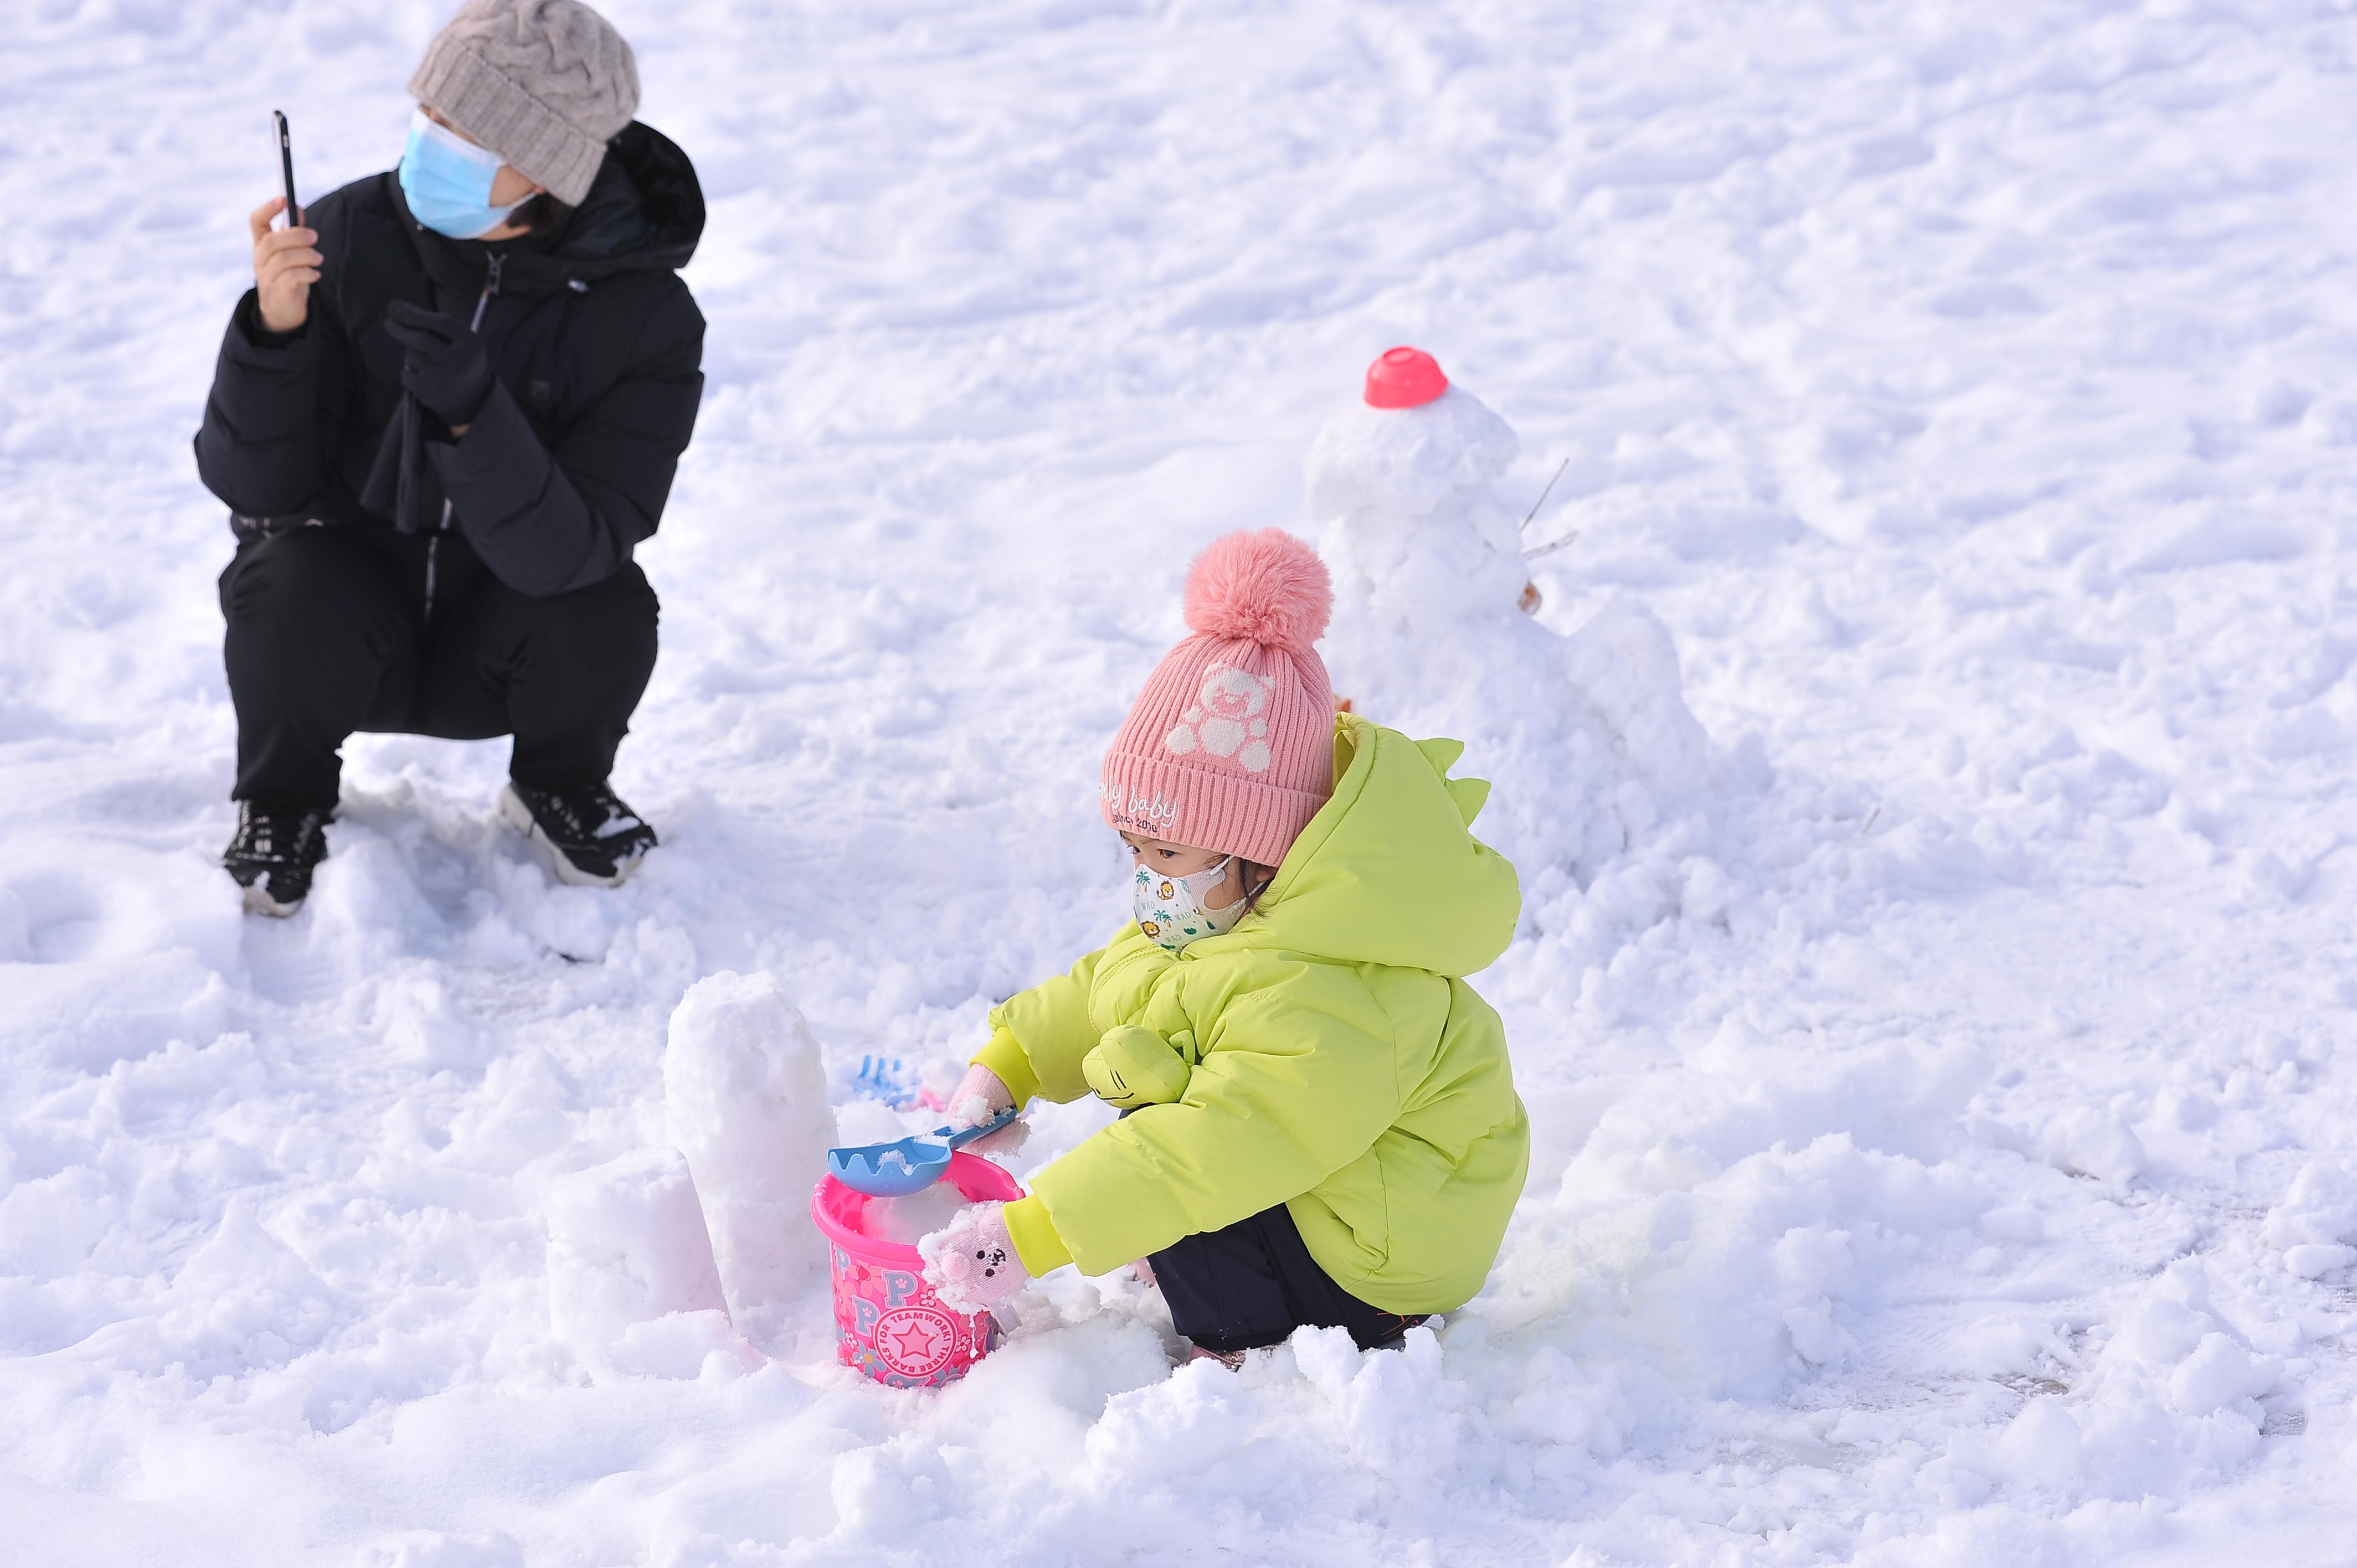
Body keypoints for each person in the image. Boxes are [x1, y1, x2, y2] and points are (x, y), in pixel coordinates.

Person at [914, 529, 1530, 1365]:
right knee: (1158, 1081)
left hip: (1380, 1267)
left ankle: (1250, 1342)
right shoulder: (1233, 914)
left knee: (1165, 1126)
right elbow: (1122, 983)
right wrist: (1010, 1065)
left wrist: (1030, 1236)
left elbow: (1210, 1149)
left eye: (1167, 852)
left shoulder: (1339, 988)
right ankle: (1224, 1265)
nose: (1147, 877)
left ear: (1263, 852)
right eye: (1134, 849)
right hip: (1332, 1189)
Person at [194, 0, 704, 915]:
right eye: (430, 111)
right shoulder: (345, 237)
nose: (430, 139)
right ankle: (283, 797)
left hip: (501, 633)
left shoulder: (648, 317)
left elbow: (580, 546)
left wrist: (479, 418)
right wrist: (273, 337)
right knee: (281, 578)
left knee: (610, 603)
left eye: (466, 129)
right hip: (350, 622)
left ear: (544, 166)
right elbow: (253, 491)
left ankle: (559, 784)